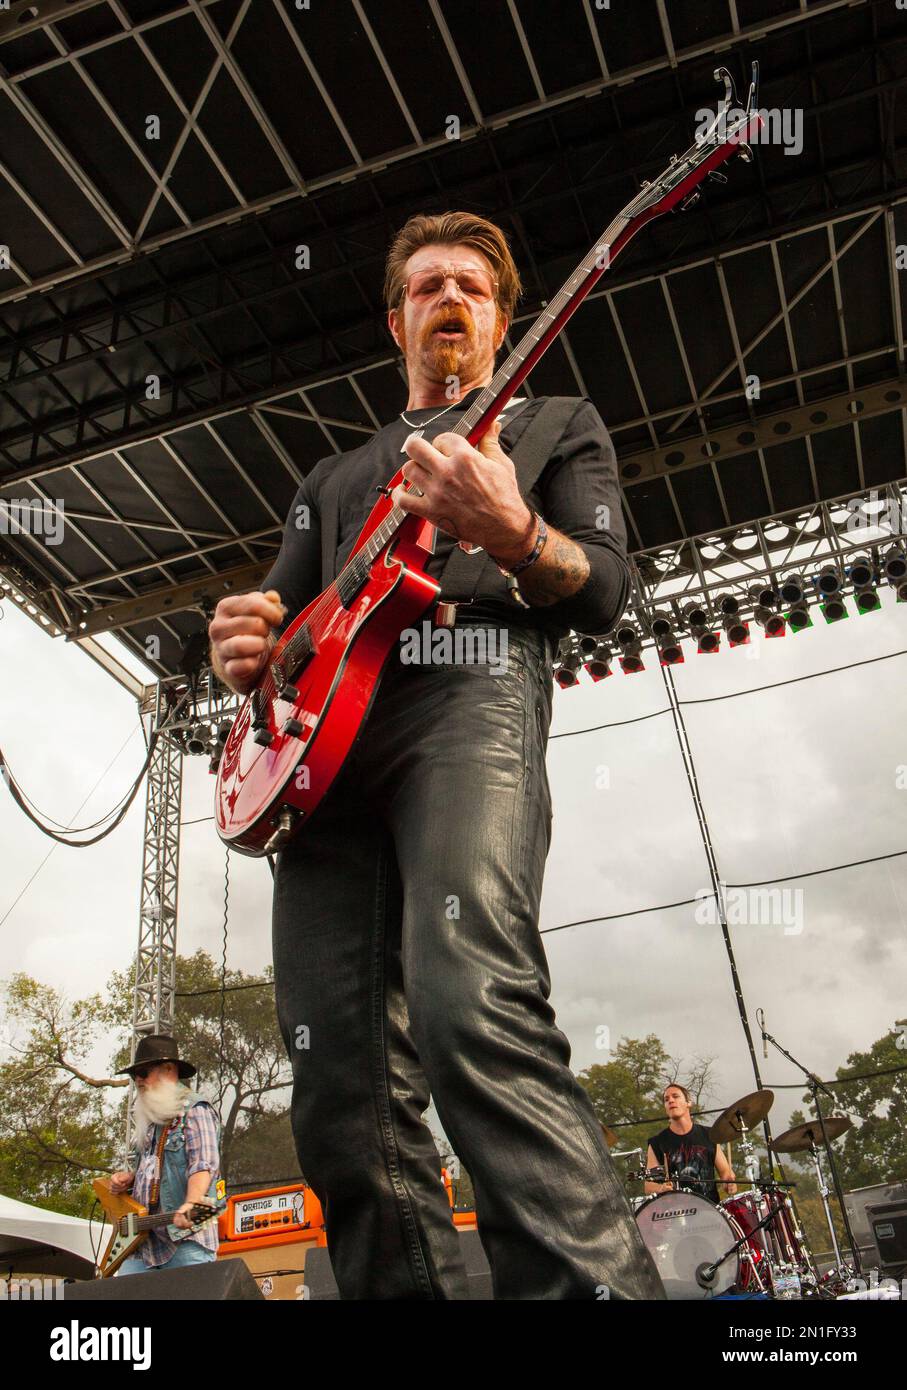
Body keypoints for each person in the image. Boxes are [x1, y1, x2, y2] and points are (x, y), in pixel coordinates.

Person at [208, 210, 664, 1300]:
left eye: (470, 282)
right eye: (425, 283)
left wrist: (512, 531)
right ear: (396, 319)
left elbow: (604, 589)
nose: (448, 295)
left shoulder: (551, 423)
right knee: (335, 1084)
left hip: (468, 695)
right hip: (324, 755)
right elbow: (283, 617)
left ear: (502, 318)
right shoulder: (329, 477)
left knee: (470, 1000)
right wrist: (243, 642)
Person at [109, 1034, 221, 1275]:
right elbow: (158, 1171)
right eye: (134, 1074)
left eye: (144, 1072)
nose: (138, 1079)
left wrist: (192, 1202)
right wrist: (129, 1180)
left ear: (169, 1069)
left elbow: (204, 1164)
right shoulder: (151, 1120)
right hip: (144, 1247)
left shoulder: (195, 1110)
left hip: (185, 1244)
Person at [645, 1083, 737, 1203]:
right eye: (666, 1099)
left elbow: (725, 1172)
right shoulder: (657, 1142)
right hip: (677, 1214)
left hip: (711, 1211)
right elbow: (648, 1186)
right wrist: (661, 1188)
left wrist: (729, 1183)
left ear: (689, 1103)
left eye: (675, 1096)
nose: (671, 1101)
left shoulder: (709, 1135)